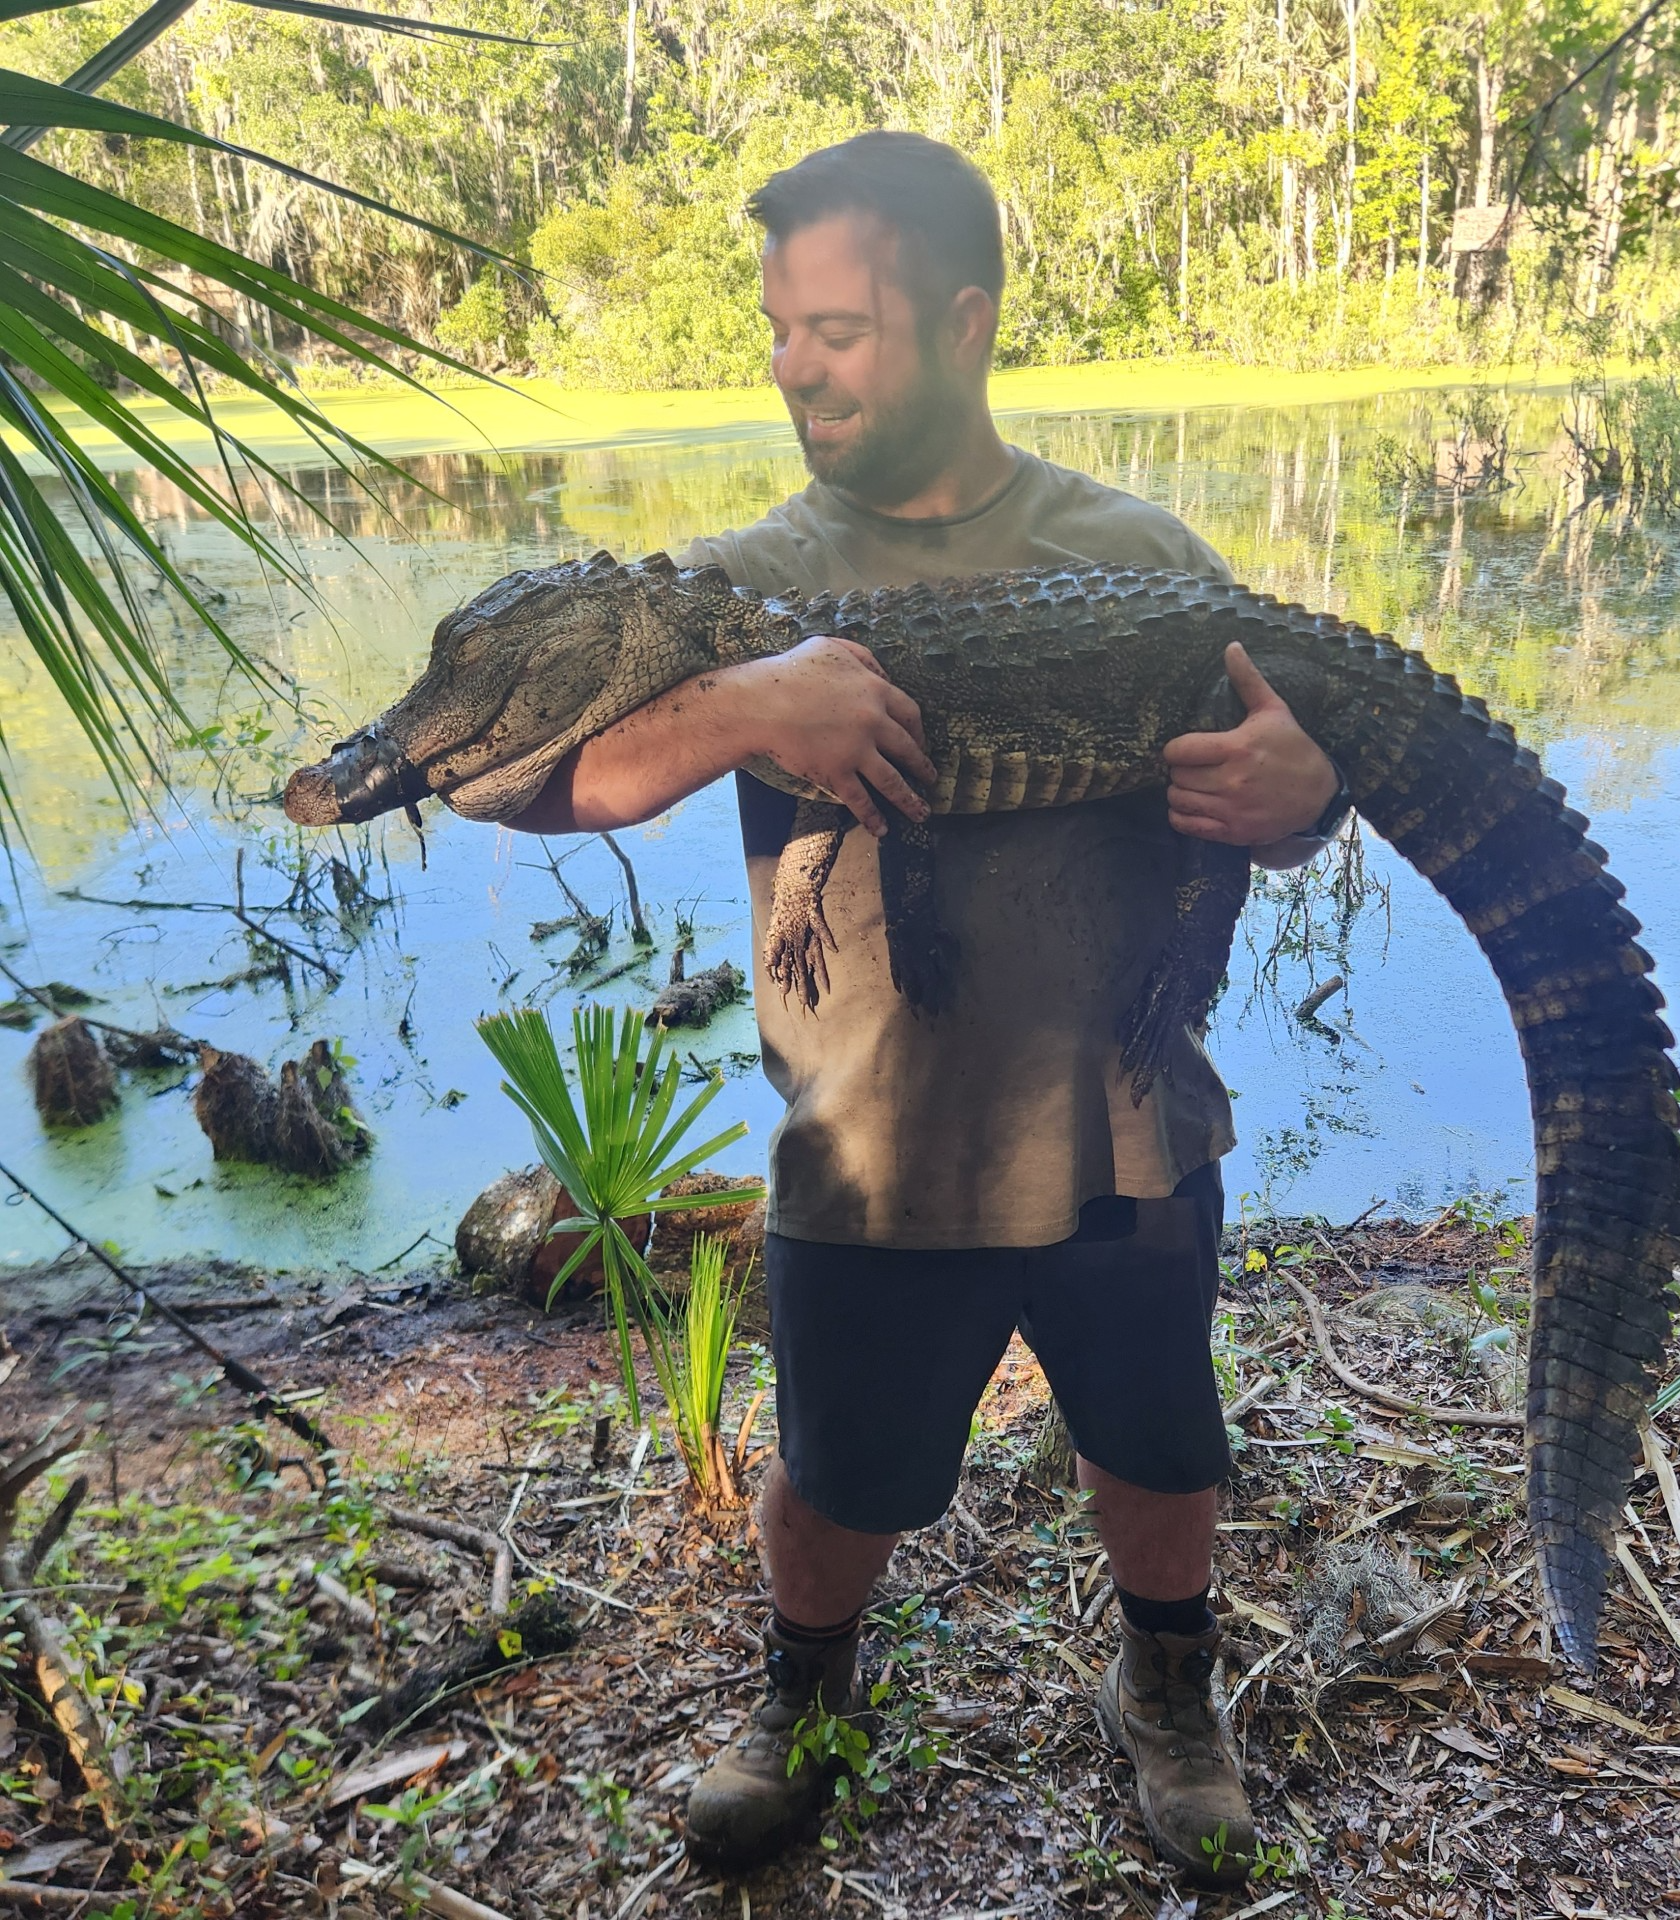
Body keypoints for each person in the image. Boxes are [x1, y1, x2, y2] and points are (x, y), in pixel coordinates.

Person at [509, 131, 1346, 1886]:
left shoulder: (1129, 545)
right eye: (780, 328)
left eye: (839, 329)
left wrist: (1303, 786)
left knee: (1159, 1439)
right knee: (834, 1478)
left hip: (1124, 1122)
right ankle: (804, 1699)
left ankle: (1165, 1688)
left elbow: (1299, 754)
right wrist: (746, 711)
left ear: (964, 325)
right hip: (876, 1145)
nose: (795, 366)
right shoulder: (738, 589)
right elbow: (519, 773)